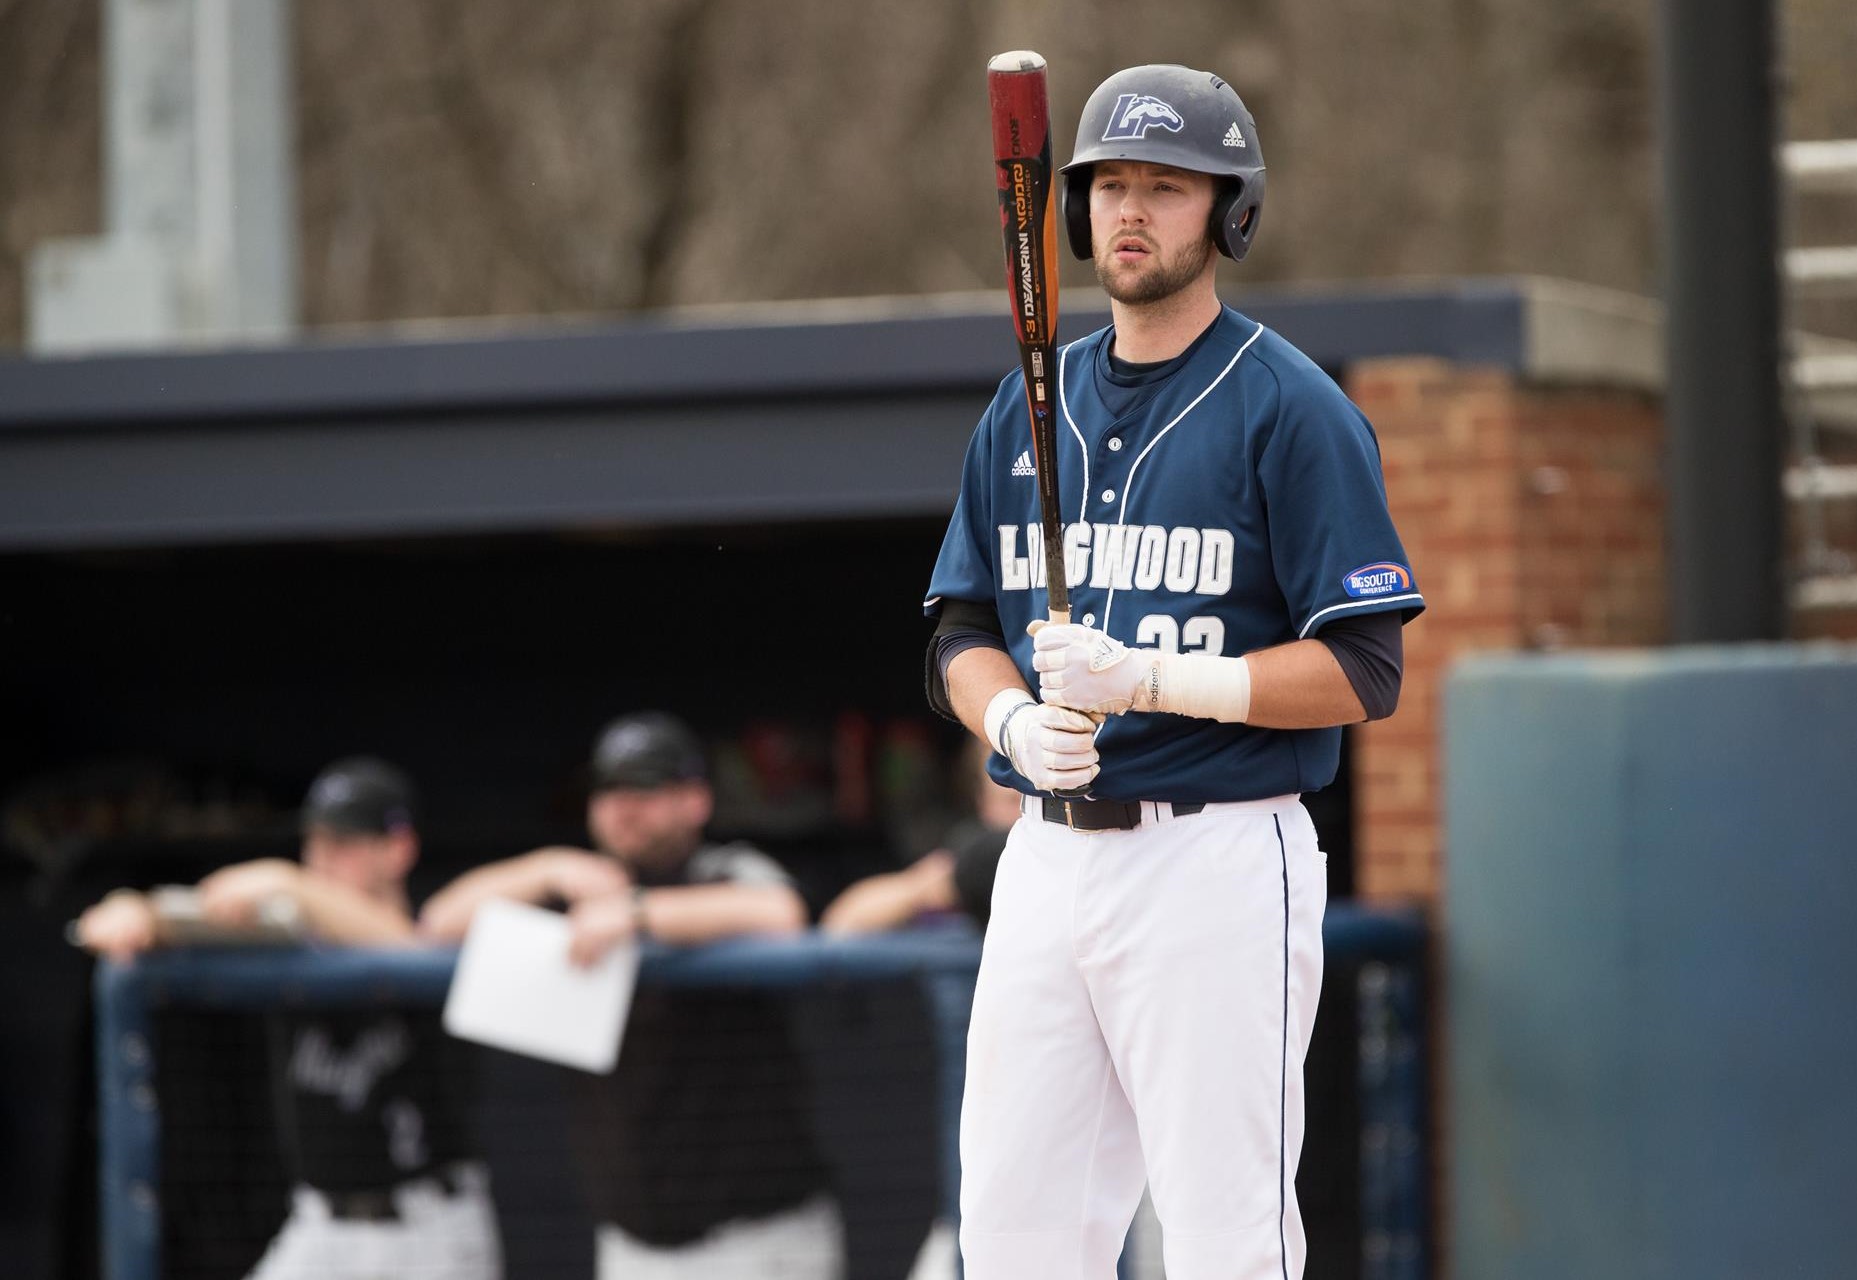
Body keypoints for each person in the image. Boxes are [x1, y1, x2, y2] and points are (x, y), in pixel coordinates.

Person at [921, 64, 1424, 1280]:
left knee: (1225, 1240)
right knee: (1015, 1239)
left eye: (1167, 186)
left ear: (1228, 214)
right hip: (1045, 853)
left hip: (1215, 852)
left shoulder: (1290, 405)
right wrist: (1009, 718)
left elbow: (1365, 667)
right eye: (1107, 187)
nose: (1131, 211)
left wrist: (1151, 679)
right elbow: (957, 625)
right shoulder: (1028, 401)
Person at [418, 712, 842, 1280]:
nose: (622, 807)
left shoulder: (720, 868)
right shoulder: (580, 889)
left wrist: (638, 914)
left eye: (644, 789)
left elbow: (782, 913)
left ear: (695, 801)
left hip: (759, 1238)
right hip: (635, 1245)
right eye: (608, 791)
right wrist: (547, 869)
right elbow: (437, 924)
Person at [75, 757, 503, 1280]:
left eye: (343, 845)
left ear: (398, 849)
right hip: (321, 1226)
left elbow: (400, 943)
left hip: (427, 1229)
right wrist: (140, 911)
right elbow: (184, 917)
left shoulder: (429, 938)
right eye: (315, 844)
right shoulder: (287, 939)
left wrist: (287, 882)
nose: (321, 862)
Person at [819, 737, 1018, 935]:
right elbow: (842, 920)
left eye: (1042, 801)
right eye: (1012, 800)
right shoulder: (968, 862)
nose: (1026, 814)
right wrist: (939, 888)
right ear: (983, 802)